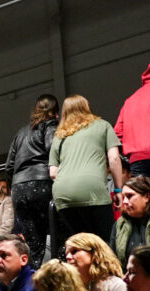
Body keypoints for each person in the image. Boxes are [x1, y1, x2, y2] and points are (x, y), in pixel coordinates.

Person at [50, 94, 126, 252]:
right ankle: (110, 275)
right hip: (92, 190)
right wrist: (118, 189)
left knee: (82, 246)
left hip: (63, 194)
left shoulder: (59, 135)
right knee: (105, 244)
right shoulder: (103, 125)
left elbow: (53, 172)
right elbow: (114, 159)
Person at [6, 94, 59, 265]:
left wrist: (13, 186)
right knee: (59, 237)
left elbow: (9, 166)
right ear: (55, 112)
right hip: (42, 184)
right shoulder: (50, 125)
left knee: (33, 247)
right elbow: (53, 150)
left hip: (18, 189)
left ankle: (32, 286)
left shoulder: (20, 132)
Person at [64, 232, 129, 291]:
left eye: (74, 251)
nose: (68, 257)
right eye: (67, 253)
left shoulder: (116, 286)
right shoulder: (68, 288)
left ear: (94, 253)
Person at [112, 175, 150, 259]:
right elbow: (113, 260)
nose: (125, 201)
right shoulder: (119, 224)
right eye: (123, 197)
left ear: (147, 197)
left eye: (130, 196)